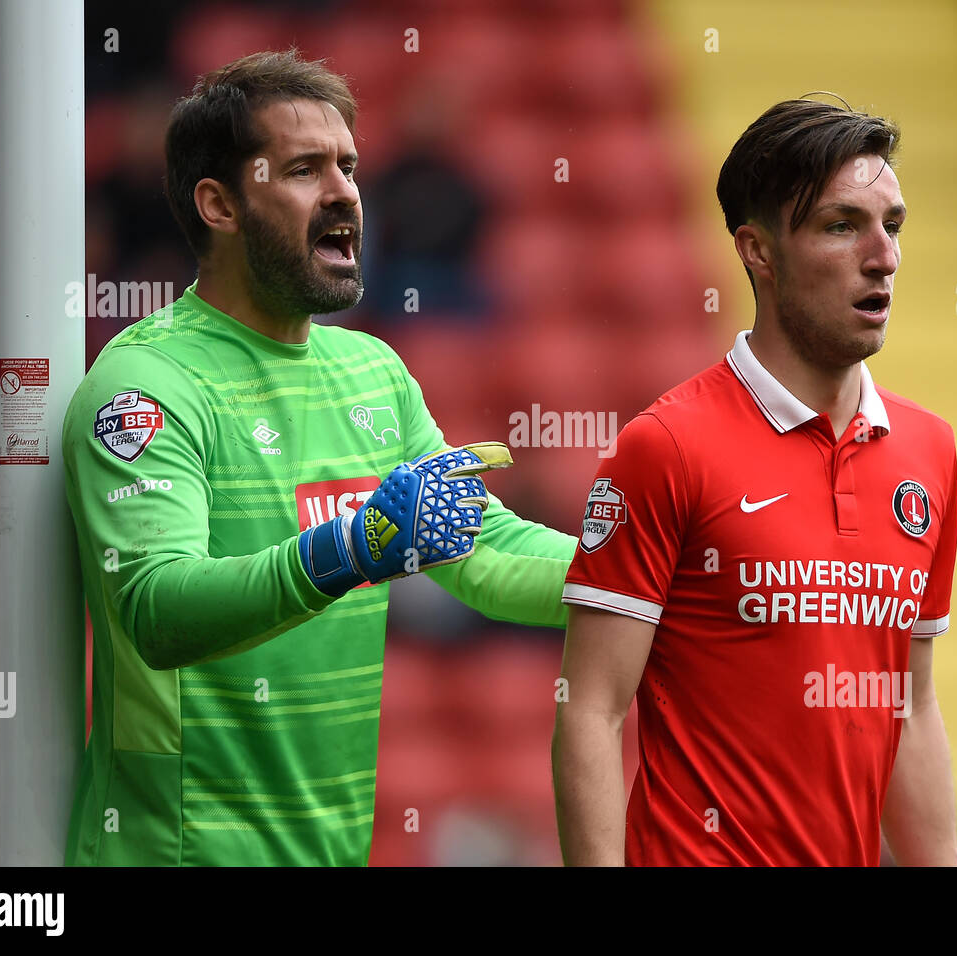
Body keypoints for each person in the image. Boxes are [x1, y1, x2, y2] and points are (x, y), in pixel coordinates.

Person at [61, 50, 576, 866]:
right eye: (304, 169)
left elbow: (484, 551)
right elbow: (157, 610)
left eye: (348, 166)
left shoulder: (372, 372)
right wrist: (351, 548)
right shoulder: (146, 384)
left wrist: (657, 574)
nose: (344, 193)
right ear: (219, 205)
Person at [552, 100, 957, 866]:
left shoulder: (929, 451)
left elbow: (911, 707)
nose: (884, 257)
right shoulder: (666, 446)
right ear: (759, 253)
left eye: (893, 225)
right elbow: (591, 711)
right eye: (843, 226)